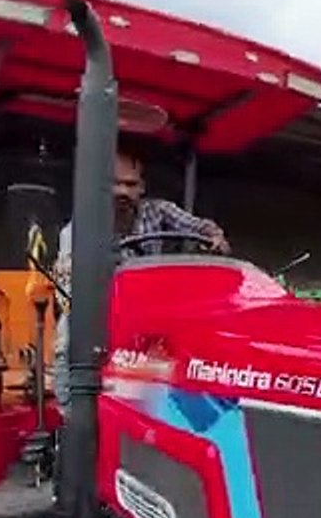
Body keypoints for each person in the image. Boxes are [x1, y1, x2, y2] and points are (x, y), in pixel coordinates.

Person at [51, 146, 230, 410]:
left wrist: (214, 236)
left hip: (150, 319)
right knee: (72, 333)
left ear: (141, 188)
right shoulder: (79, 230)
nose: (123, 192)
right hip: (101, 318)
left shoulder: (158, 211)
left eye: (130, 184)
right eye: (115, 184)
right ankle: (73, 413)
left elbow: (199, 227)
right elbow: (69, 288)